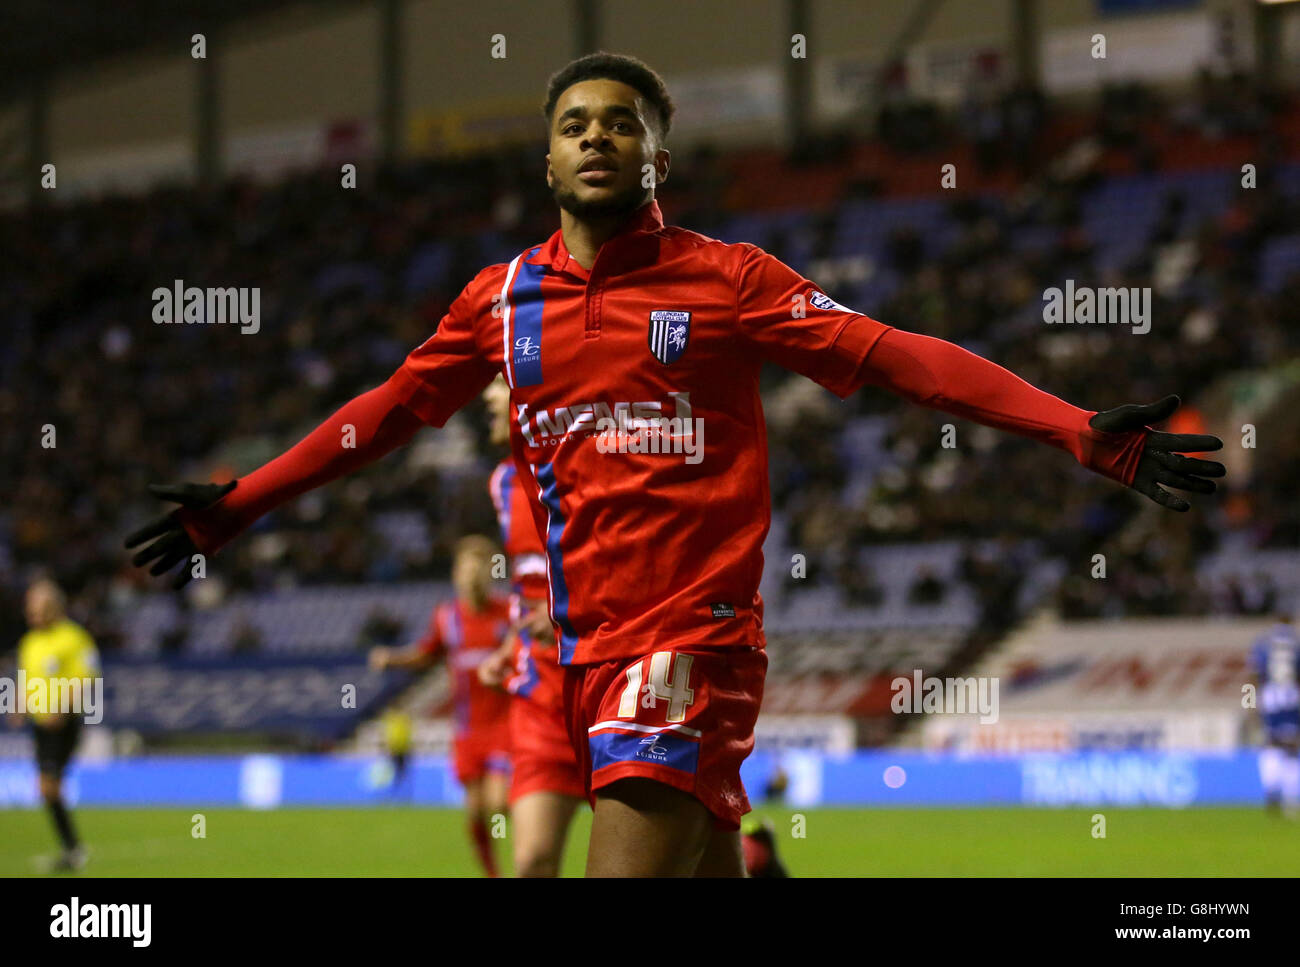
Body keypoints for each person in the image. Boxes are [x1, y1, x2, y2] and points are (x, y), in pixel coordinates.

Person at [126, 52, 1225, 876]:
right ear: (545, 156)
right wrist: (241, 504)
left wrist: (1081, 429)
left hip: (686, 642)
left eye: (621, 124)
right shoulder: (500, 299)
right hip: (574, 661)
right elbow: (391, 409)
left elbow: (902, 359)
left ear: (659, 156)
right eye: (573, 124)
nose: (595, 137)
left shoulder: (730, 280)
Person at [476, 376, 587, 876]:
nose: (488, 397)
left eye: (500, 383)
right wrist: (510, 642)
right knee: (532, 861)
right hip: (541, 696)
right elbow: (528, 585)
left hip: (607, 687)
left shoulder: (589, 465)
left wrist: (569, 608)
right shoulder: (502, 482)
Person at [368, 536, 512, 875]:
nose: (470, 576)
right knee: (476, 812)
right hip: (467, 729)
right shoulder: (447, 618)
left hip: (506, 724)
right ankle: (494, 873)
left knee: (498, 804)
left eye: (477, 568)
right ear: (456, 576)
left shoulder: (507, 613)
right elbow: (425, 654)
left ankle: (533, 839)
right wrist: (393, 658)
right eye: (464, 569)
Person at [14, 578, 99, 872]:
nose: (32, 616)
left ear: (55, 608)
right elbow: (26, 678)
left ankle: (73, 850)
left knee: (48, 786)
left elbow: (86, 677)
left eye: (38, 609)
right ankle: (72, 850)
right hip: (40, 725)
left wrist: (62, 709)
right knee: (48, 788)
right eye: (30, 610)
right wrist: (18, 705)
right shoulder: (29, 642)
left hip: (62, 724)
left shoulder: (73, 637)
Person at [1249, 613, 1299, 816]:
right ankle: (1292, 797)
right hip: (1292, 697)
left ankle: (1271, 792)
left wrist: (1250, 705)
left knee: (1270, 745)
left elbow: (1252, 678)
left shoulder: (1262, 644)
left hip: (1269, 698)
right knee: (1293, 748)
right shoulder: (1296, 644)